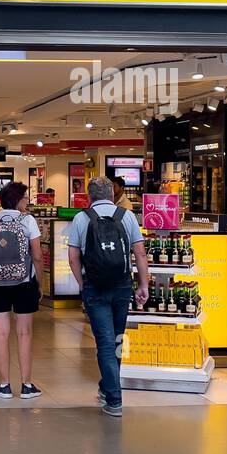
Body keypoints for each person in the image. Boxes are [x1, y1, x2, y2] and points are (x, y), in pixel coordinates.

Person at [66, 176, 149, 417]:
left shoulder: (81, 218)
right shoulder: (127, 216)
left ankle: (113, 398)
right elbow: (140, 253)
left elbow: (73, 258)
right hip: (123, 286)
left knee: (104, 342)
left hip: (96, 288)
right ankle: (108, 388)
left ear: (90, 197)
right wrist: (142, 285)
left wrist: (83, 284)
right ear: (112, 194)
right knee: (117, 340)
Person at [0, 181, 44, 399]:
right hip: (24, 281)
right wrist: (39, 283)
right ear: (18, 199)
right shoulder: (28, 221)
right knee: (24, 333)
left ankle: (4, 385)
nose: (27, 201)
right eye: (25, 198)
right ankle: (26, 385)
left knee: (0, 332)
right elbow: (36, 255)